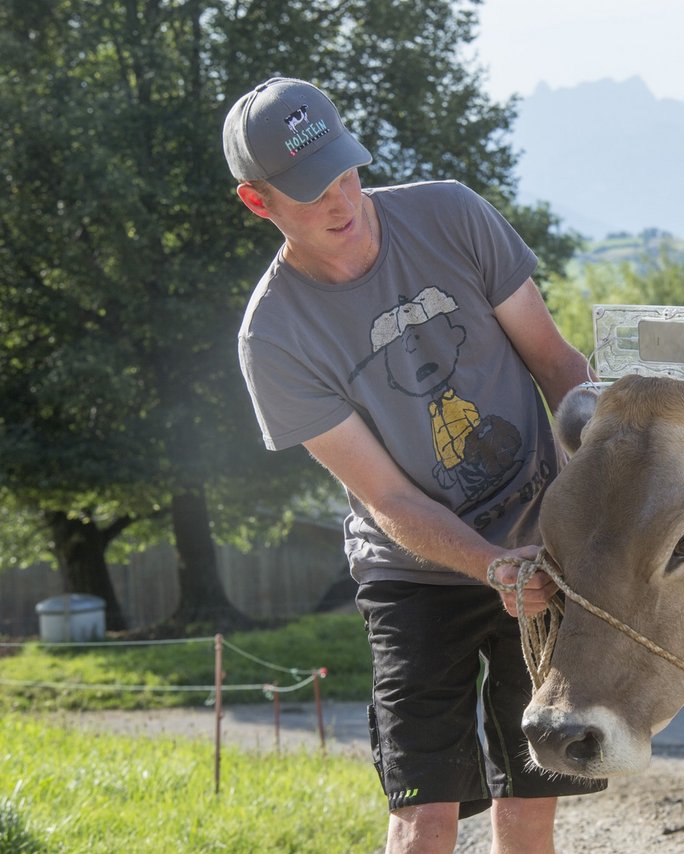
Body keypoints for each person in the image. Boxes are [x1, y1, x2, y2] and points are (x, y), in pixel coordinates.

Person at [223, 76, 601, 854]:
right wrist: (492, 565)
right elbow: (388, 498)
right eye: (311, 190)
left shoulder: (451, 215)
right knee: (424, 815)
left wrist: (596, 495)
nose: (342, 201)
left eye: (345, 171)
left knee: (531, 799)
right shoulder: (274, 337)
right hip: (411, 573)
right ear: (258, 202)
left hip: (542, 542)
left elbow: (558, 364)